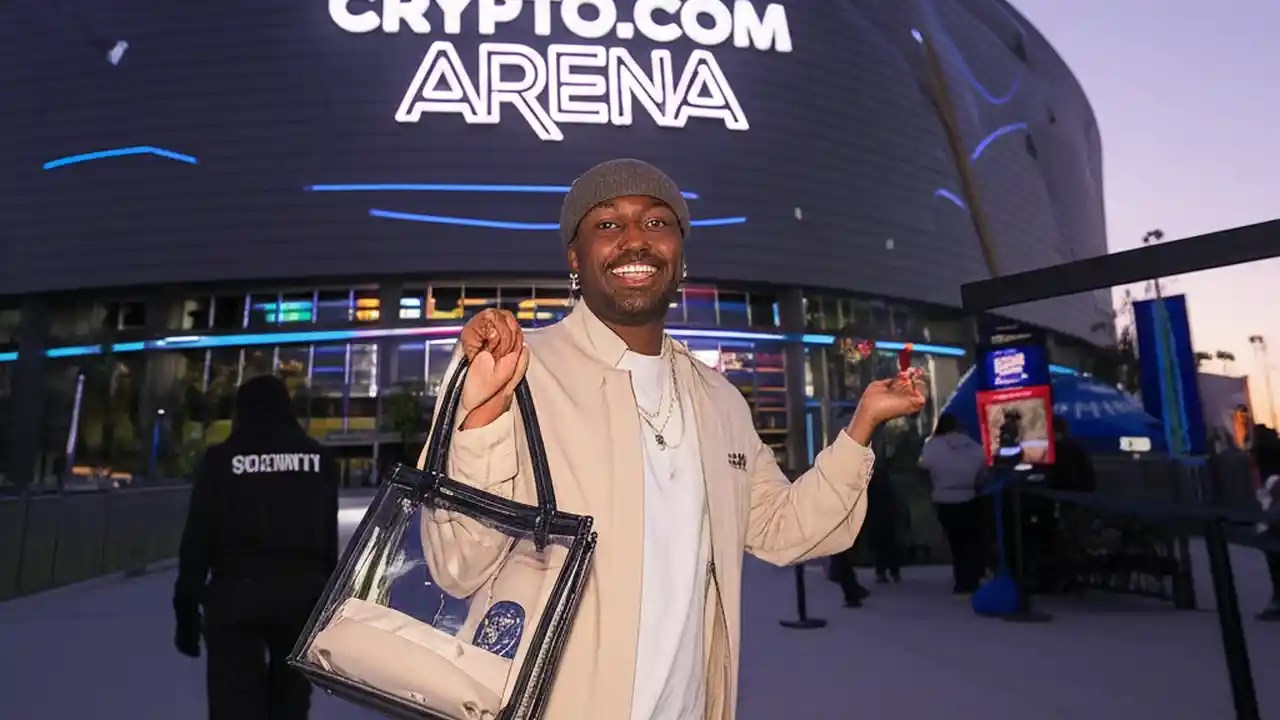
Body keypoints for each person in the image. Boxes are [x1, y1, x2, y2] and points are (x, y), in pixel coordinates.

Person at [422, 158, 927, 720]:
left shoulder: (716, 398)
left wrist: (861, 427)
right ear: (574, 257)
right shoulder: (514, 369)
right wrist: (485, 412)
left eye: (657, 223)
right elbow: (457, 566)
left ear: (680, 256)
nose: (635, 239)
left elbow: (783, 529)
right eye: (608, 225)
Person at [173, 374, 339, 720]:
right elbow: (327, 538)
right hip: (300, 596)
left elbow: (197, 538)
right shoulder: (318, 459)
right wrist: (328, 607)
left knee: (233, 702)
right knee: (290, 702)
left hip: (235, 595)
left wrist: (186, 610)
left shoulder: (219, 461)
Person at [919, 413, 987, 594]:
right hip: (969, 496)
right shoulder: (973, 446)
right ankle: (972, 578)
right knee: (971, 540)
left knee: (955, 542)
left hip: (944, 498)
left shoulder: (932, 446)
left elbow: (924, 468)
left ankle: (961, 580)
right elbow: (983, 471)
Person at [1251, 423, 1280, 621]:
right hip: (1271, 516)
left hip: (1271, 518)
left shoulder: (1262, 461)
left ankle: (1277, 601)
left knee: (1275, 561)